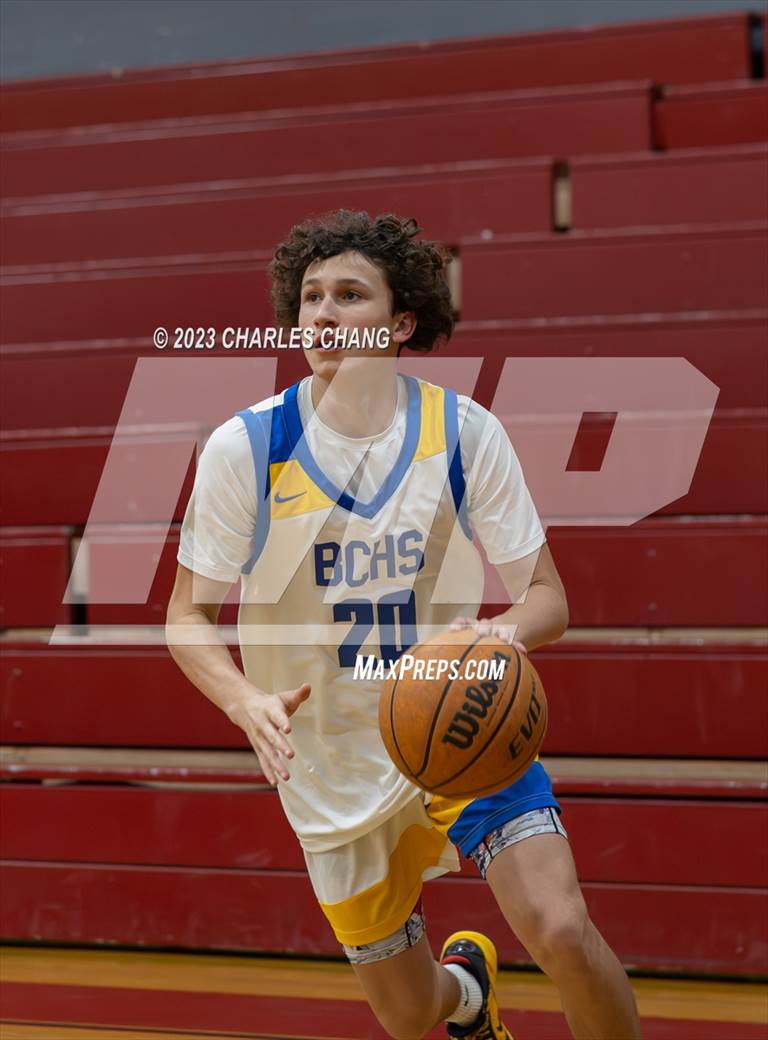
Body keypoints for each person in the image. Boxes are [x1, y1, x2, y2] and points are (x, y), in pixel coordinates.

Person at [166, 210, 642, 1040]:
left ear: (400, 321)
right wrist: (243, 700)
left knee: (562, 930)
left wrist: (504, 635)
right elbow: (187, 617)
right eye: (311, 296)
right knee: (410, 1014)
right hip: (331, 760)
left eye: (350, 295)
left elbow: (548, 598)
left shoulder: (462, 433)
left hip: (456, 721)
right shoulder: (246, 448)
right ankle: (468, 996)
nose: (323, 313)